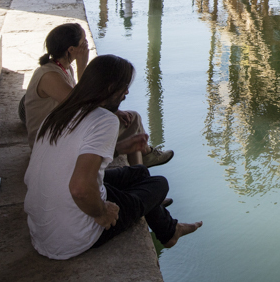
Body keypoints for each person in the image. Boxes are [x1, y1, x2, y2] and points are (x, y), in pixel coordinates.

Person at [24, 55, 202, 260]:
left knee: (140, 171)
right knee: (159, 184)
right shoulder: (104, 120)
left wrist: (121, 147)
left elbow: (77, 156)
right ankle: (170, 232)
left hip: (43, 230)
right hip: (73, 237)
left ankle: (169, 230)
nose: (126, 92)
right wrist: (102, 212)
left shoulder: (59, 113)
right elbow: (80, 188)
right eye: (124, 87)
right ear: (109, 88)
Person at [20, 23, 173, 168]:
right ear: (72, 50)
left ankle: (141, 169)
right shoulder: (49, 75)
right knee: (130, 124)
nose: (86, 45)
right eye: (83, 42)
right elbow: (79, 104)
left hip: (65, 129)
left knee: (131, 118)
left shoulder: (65, 69)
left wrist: (115, 111)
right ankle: (143, 162)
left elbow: (84, 100)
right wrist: (82, 65)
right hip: (51, 140)